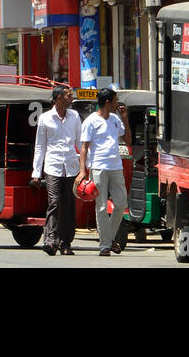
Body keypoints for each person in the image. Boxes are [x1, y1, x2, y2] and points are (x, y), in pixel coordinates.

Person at [78, 87, 130, 256]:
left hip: (116, 166)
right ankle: (105, 245)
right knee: (100, 206)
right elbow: (84, 148)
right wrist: (82, 171)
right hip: (98, 166)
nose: (117, 103)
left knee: (121, 203)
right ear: (108, 102)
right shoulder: (91, 121)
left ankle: (109, 238)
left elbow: (128, 139)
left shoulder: (115, 119)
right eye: (115, 100)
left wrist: (125, 119)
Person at [31, 85, 81, 256]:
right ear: (58, 98)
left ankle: (66, 242)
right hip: (52, 166)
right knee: (54, 202)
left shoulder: (74, 116)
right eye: (68, 95)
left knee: (69, 205)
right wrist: (36, 173)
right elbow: (40, 147)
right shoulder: (45, 118)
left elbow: (81, 143)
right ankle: (51, 241)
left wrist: (84, 168)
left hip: (72, 166)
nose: (71, 97)